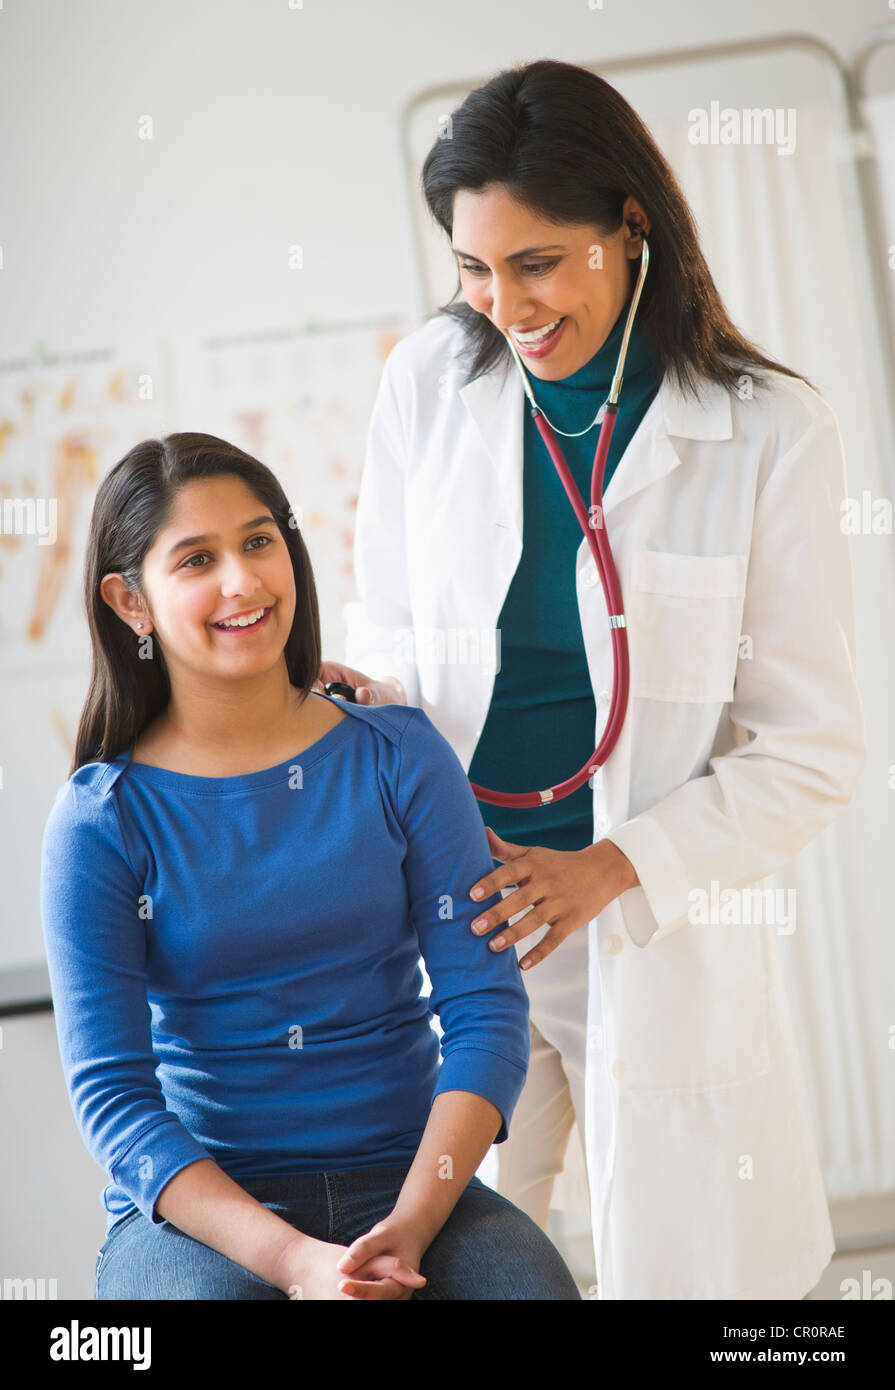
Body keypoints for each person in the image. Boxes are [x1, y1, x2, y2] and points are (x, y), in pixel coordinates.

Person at [317, 58, 868, 1299]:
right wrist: (365, 697)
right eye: (471, 267)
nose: (502, 304)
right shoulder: (428, 385)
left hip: (642, 931)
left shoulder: (766, 429)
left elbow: (808, 747)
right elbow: (400, 634)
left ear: (630, 225)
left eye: (536, 262)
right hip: (462, 928)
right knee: (454, 1266)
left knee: (678, 1274)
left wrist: (610, 868)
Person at [39, 433, 582, 1300]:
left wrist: (407, 1227)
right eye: (196, 559)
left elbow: (483, 1012)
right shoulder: (101, 822)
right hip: (206, 1213)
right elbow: (115, 1101)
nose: (243, 582)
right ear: (129, 602)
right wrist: (294, 1262)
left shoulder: (400, 755)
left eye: (260, 541)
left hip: (412, 1186)